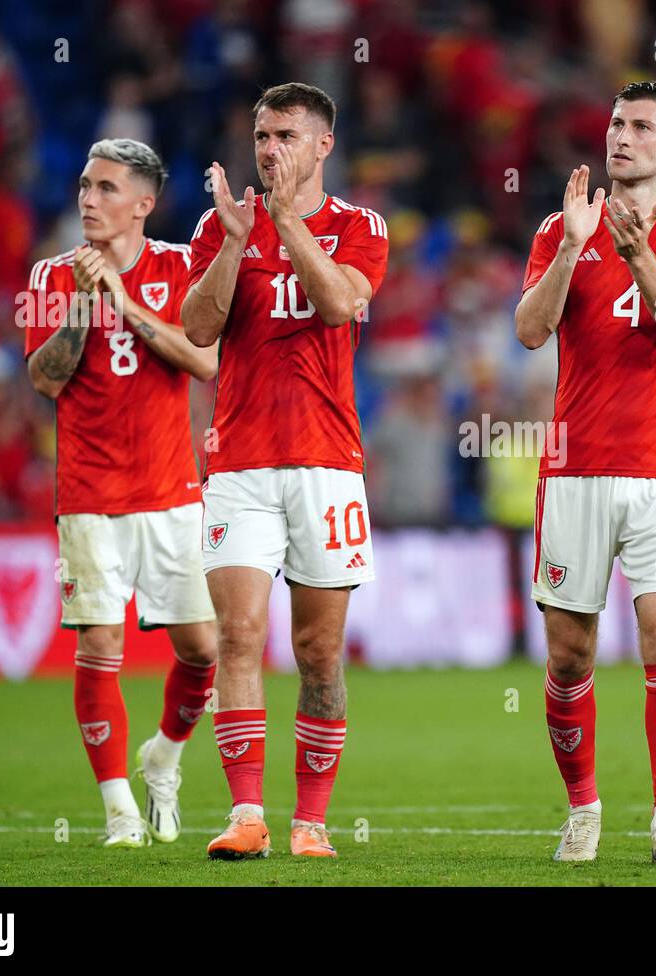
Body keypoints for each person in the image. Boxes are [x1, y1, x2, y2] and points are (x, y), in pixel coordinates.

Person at [515, 81, 656, 866]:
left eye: (642, 126)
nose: (621, 136)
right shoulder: (560, 227)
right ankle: (582, 811)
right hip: (573, 471)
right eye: (616, 123)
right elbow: (529, 331)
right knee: (569, 656)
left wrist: (639, 254)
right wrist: (573, 248)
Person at [181, 82, 388, 859]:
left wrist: (286, 221)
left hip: (327, 464)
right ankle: (246, 815)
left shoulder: (360, 226)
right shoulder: (218, 225)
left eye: (287, 136)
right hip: (239, 462)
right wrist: (236, 242)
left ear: (324, 145)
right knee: (237, 637)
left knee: (318, 651)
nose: (270, 150)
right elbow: (198, 329)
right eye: (262, 136)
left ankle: (311, 822)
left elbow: (338, 304)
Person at [23, 139, 220, 847]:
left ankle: (162, 756)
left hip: (171, 491)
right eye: (84, 184)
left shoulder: (178, 266)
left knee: (203, 651)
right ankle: (119, 812)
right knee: (100, 643)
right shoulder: (51, 276)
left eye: (106, 188)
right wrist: (84, 304)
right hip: (89, 493)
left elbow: (203, 359)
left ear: (143, 203)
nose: (88, 198)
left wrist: (123, 301)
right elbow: (45, 379)